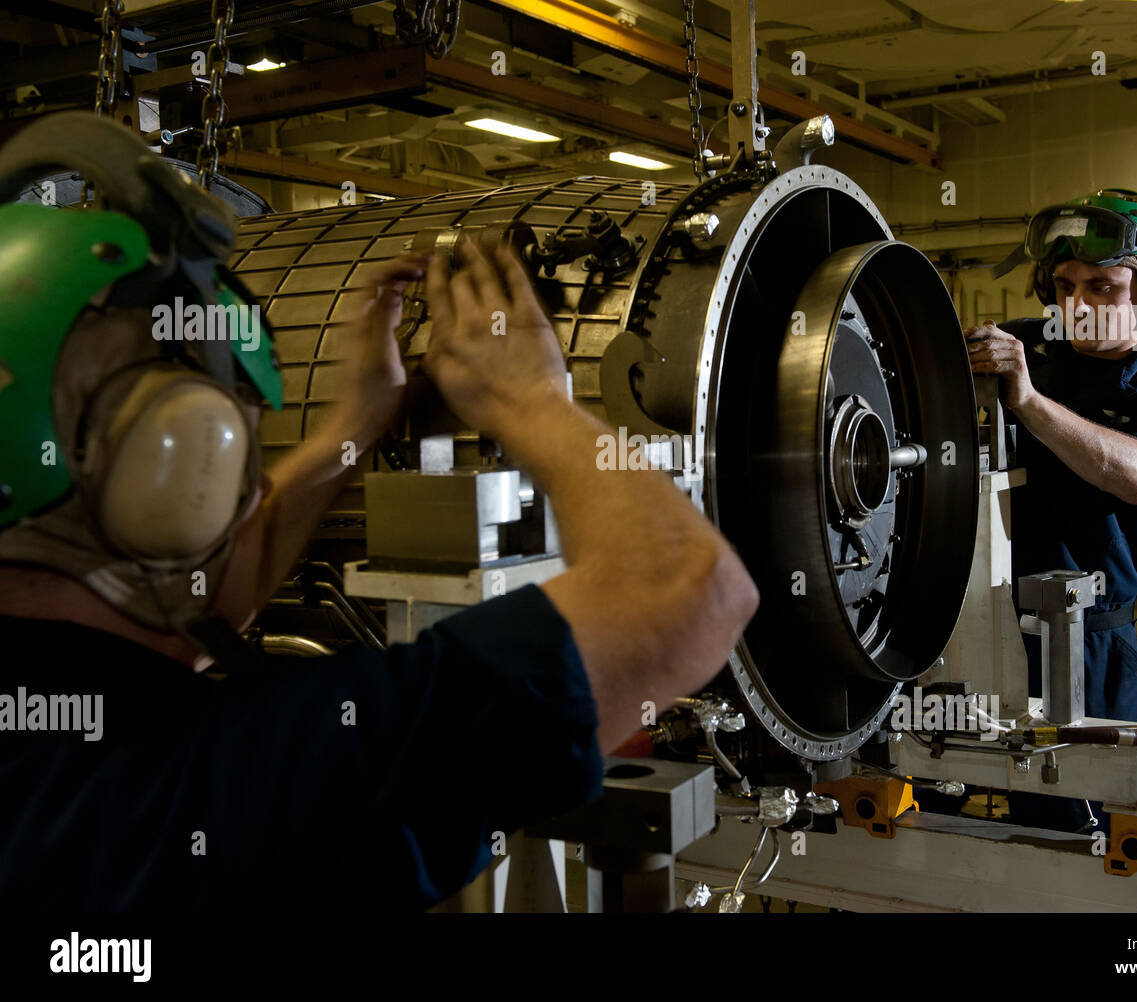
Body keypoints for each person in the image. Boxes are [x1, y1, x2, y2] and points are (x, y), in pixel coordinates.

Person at [0, 112, 759, 910]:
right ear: (165, 482)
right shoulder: (225, 787)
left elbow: (179, 607)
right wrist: (530, 401)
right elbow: (689, 591)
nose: (254, 494)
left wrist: (354, 428)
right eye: (222, 462)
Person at [968, 189, 1137, 832]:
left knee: (1085, 832)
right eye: (1062, 285)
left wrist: (1028, 402)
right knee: (957, 815)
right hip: (976, 627)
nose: (1077, 307)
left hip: (1088, 647)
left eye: (1102, 288)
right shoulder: (1027, 346)